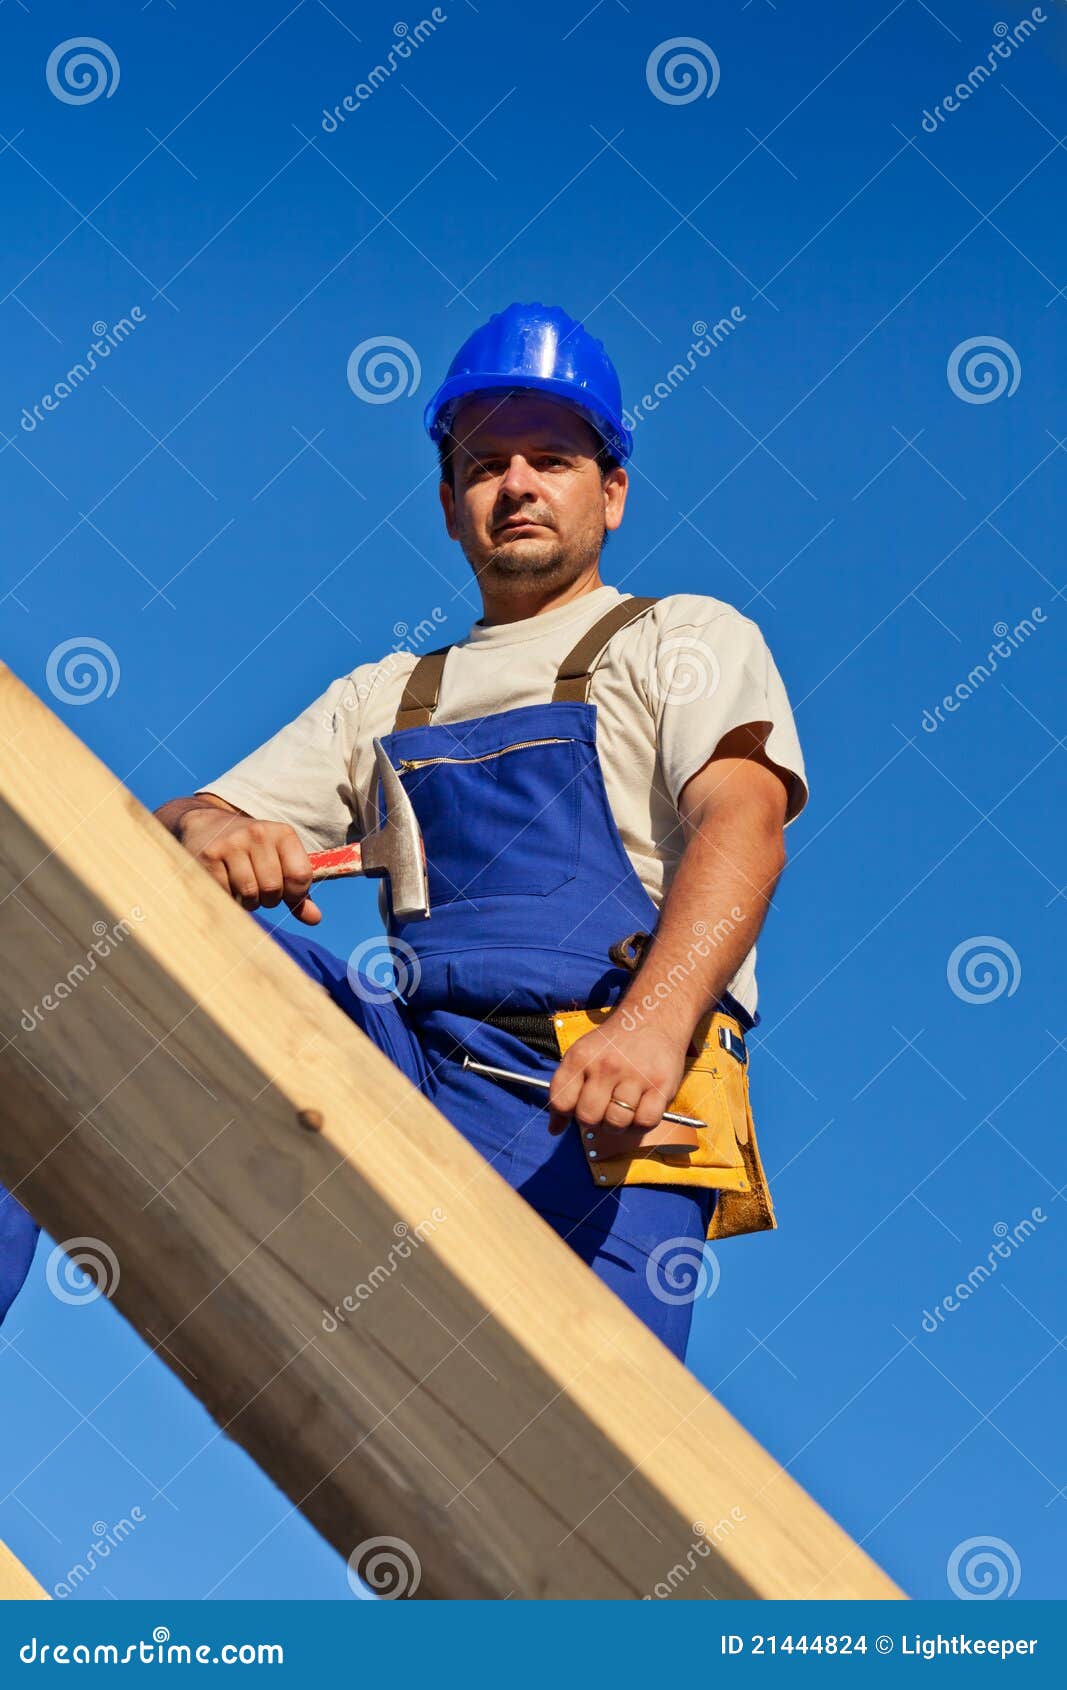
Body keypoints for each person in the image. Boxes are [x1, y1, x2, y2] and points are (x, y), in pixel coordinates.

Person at [151, 303, 807, 1363]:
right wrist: (213, 831)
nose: (516, 485)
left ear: (612, 491)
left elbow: (744, 822)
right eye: (485, 463)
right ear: (450, 507)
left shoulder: (678, 637)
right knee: (85, 949)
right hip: (414, 1070)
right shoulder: (388, 696)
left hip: (606, 1113)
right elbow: (177, 819)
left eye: (551, 457)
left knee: (592, 1453)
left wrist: (650, 1023)